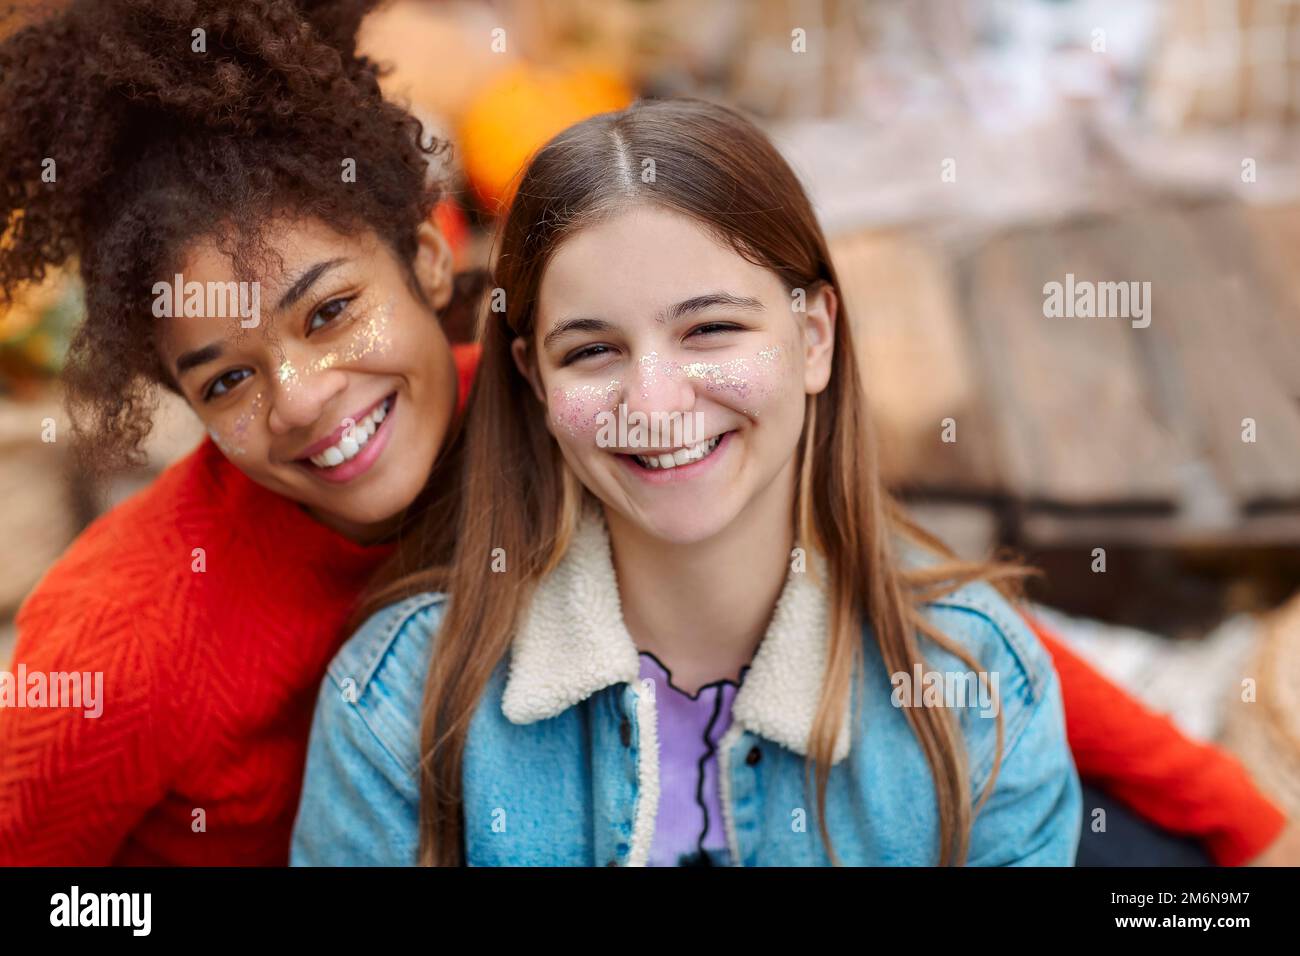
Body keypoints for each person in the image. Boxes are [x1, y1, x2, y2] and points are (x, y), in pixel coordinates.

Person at [291, 98, 1082, 866]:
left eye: (710, 330)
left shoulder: (979, 686)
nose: (656, 403)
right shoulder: (396, 703)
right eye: (592, 351)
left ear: (813, 338)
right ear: (535, 380)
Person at [0, 0, 475, 864]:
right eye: (227, 380)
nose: (295, 401)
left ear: (428, 258)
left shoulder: (552, 425)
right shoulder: (122, 643)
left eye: (330, 312)